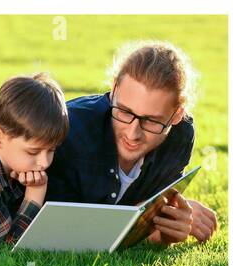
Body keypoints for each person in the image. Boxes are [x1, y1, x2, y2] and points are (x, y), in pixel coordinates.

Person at [46, 42, 217, 245]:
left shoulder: (180, 136)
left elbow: (133, 224)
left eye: (151, 121)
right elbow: (54, 227)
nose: (132, 133)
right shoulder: (69, 128)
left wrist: (165, 227)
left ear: (176, 115)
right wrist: (150, 216)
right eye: (125, 112)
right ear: (114, 89)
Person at [0, 73, 69, 244]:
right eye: (33, 152)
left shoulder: (21, 165)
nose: (44, 163)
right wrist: (34, 196)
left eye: (51, 150)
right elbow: (5, 244)